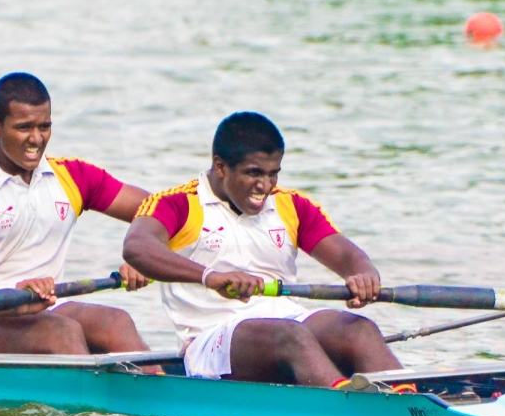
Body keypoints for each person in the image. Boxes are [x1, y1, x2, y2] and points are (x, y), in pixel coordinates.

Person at [122, 111, 400, 388]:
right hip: (210, 340)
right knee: (289, 336)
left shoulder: (292, 205)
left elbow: (346, 255)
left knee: (358, 329)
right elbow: (137, 248)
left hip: (288, 322)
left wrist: (362, 274)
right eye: (253, 173)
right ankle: (349, 404)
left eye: (272, 174)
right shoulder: (176, 204)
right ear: (220, 167)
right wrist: (210, 276)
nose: (264, 187)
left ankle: (407, 400)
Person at [0, 72, 151, 355]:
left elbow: (158, 214)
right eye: (24, 128)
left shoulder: (73, 176)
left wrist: (141, 255)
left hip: (48, 307)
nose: (36, 139)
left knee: (116, 322)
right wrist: (11, 304)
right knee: (61, 332)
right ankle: (88, 397)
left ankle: (157, 391)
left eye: (44, 126)